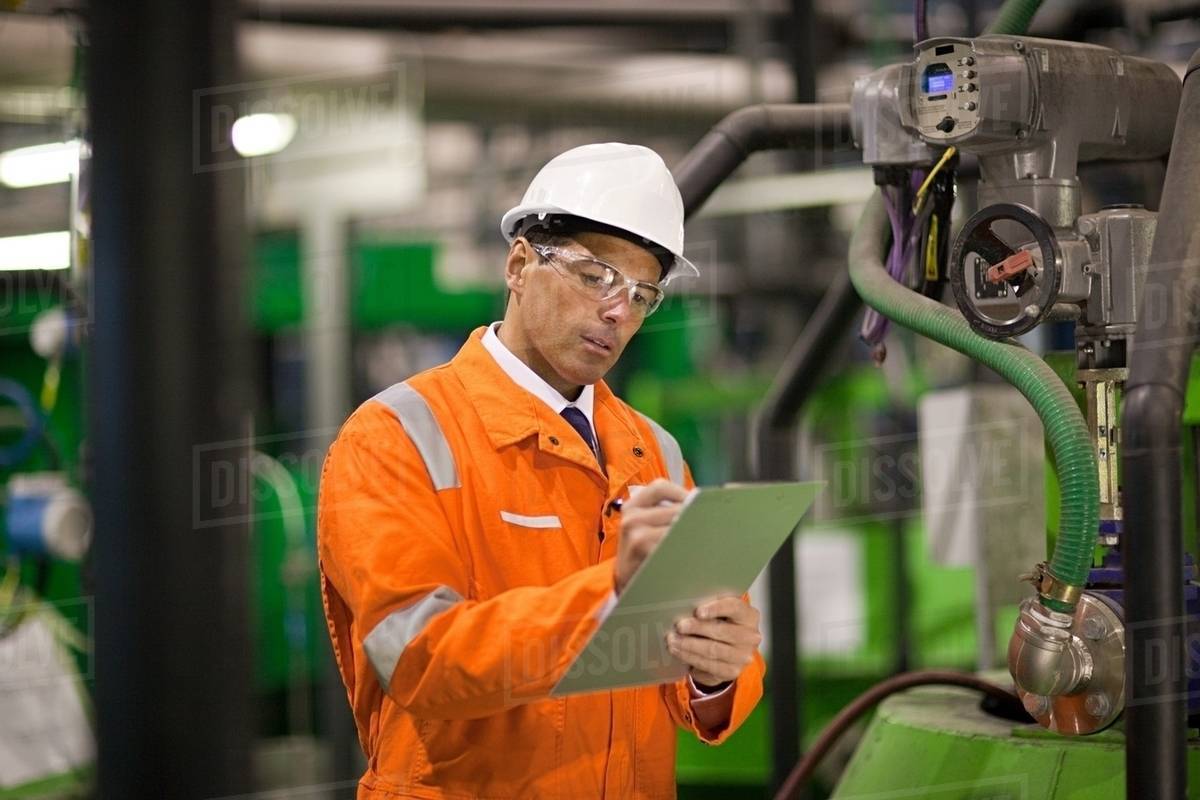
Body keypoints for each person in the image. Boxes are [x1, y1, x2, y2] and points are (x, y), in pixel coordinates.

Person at [318, 142, 765, 799]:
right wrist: (610, 598)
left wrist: (716, 673)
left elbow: (695, 665)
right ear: (520, 265)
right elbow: (420, 661)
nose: (619, 312)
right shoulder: (395, 438)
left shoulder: (655, 452)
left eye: (642, 295)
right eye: (595, 277)